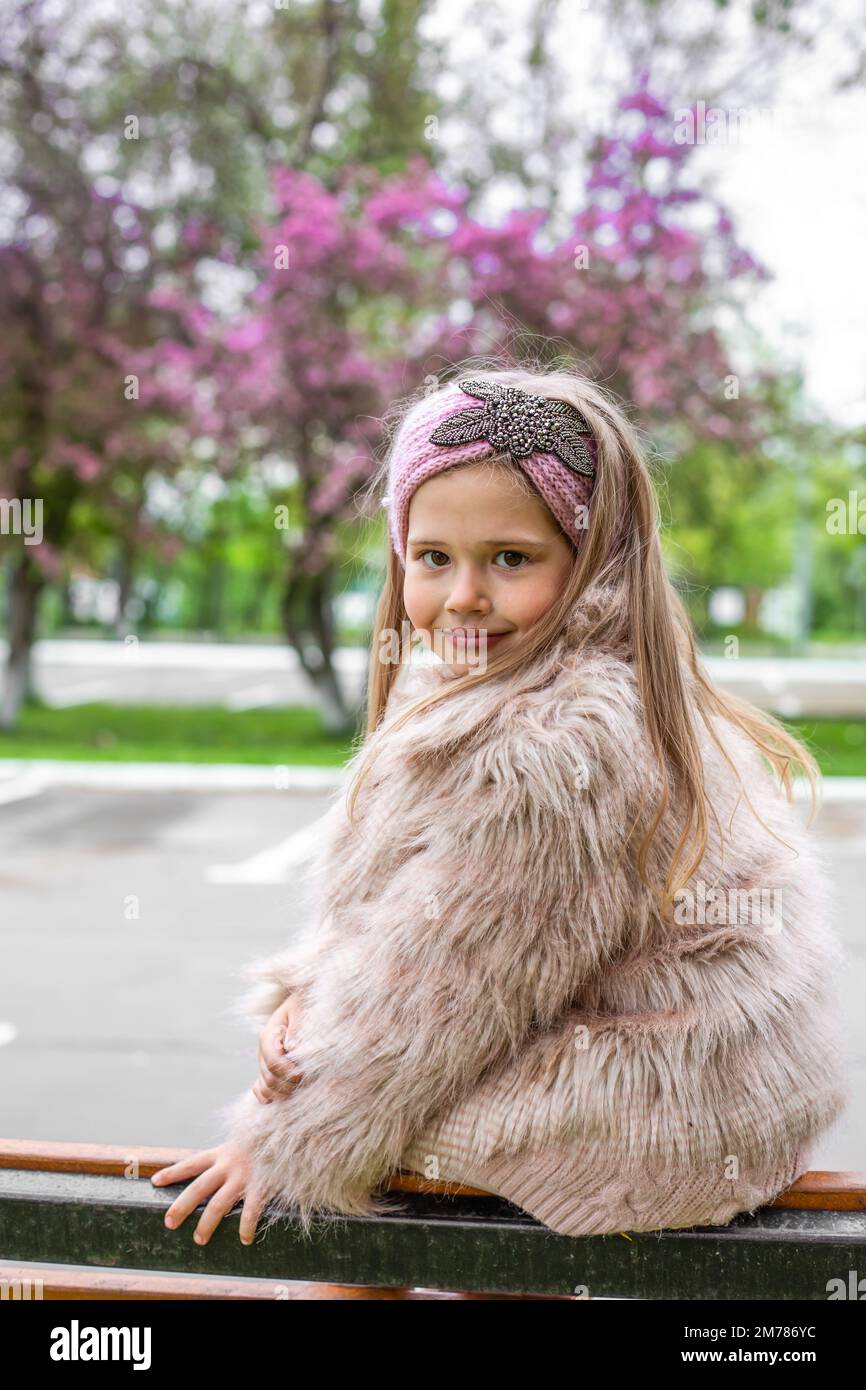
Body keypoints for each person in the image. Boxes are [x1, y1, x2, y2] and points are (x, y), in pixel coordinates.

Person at [151, 363, 850, 1247]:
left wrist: (276, 1140)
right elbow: (406, 913)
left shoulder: (565, 745)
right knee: (344, 1086)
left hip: (675, 1100)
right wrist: (313, 993)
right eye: (433, 559)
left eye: (511, 559)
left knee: (361, 1147)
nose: (464, 596)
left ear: (596, 558)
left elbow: (437, 993)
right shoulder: (483, 678)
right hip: (672, 1062)